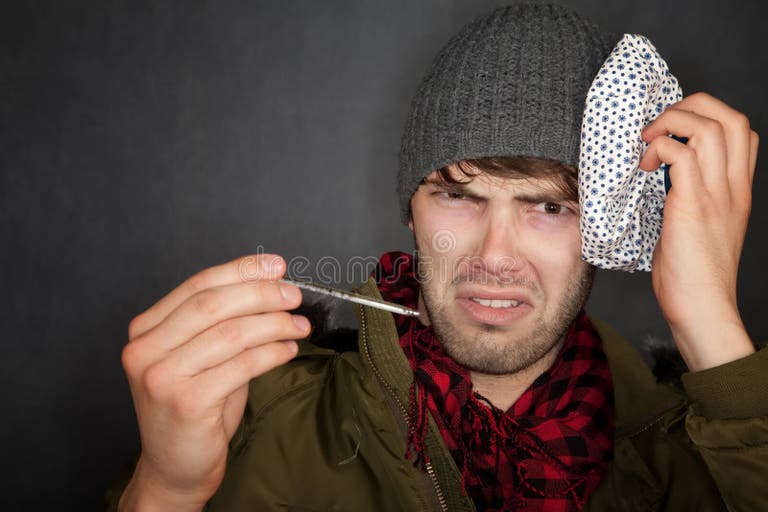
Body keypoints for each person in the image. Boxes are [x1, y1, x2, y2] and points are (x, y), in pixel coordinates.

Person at [106, 3, 767, 511]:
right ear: (412, 208)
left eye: (550, 207)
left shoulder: (702, 452)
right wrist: (165, 490)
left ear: (607, 224)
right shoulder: (250, 417)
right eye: (458, 195)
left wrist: (708, 318)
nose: (494, 255)